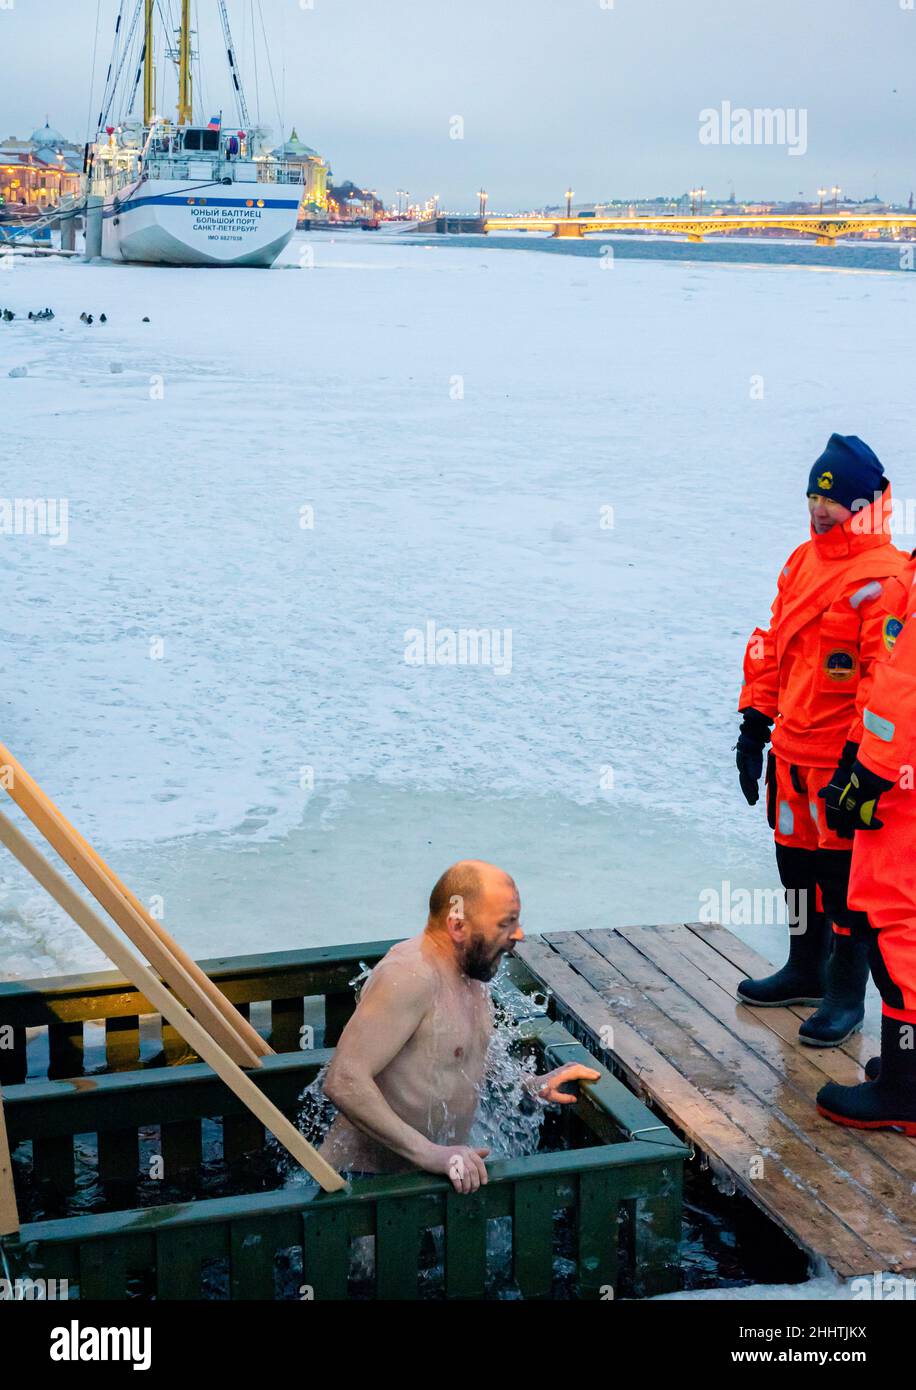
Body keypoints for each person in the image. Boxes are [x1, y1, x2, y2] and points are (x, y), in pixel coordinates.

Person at [735, 434, 908, 1045]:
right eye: (812, 494)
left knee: (842, 882)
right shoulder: (800, 561)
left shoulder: (885, 578)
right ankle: (803, 969)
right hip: (792, 751)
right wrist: (754, 724)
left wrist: (861, 763)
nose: (818, 507)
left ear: (861, 505)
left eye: (830, 498)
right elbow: (772, 645)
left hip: (843, 758)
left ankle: (844, 995)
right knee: (795, 870)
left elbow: (882, 686)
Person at [318, 859, 599, 1191]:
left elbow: (465, 1060)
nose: (519, 934)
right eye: (505, 923)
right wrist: (431, 1154)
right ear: (458, 927)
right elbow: (344, 1079)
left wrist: (530, 1085)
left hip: (423, 1180)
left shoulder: (472, 975)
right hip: (359, 1188)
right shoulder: (409, 976)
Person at [815, 548, 916, 1132]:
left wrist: (866, 776)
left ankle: (903, 1092)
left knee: (898, 935)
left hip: (901, 789)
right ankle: (908, 1069)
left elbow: (900, 692)